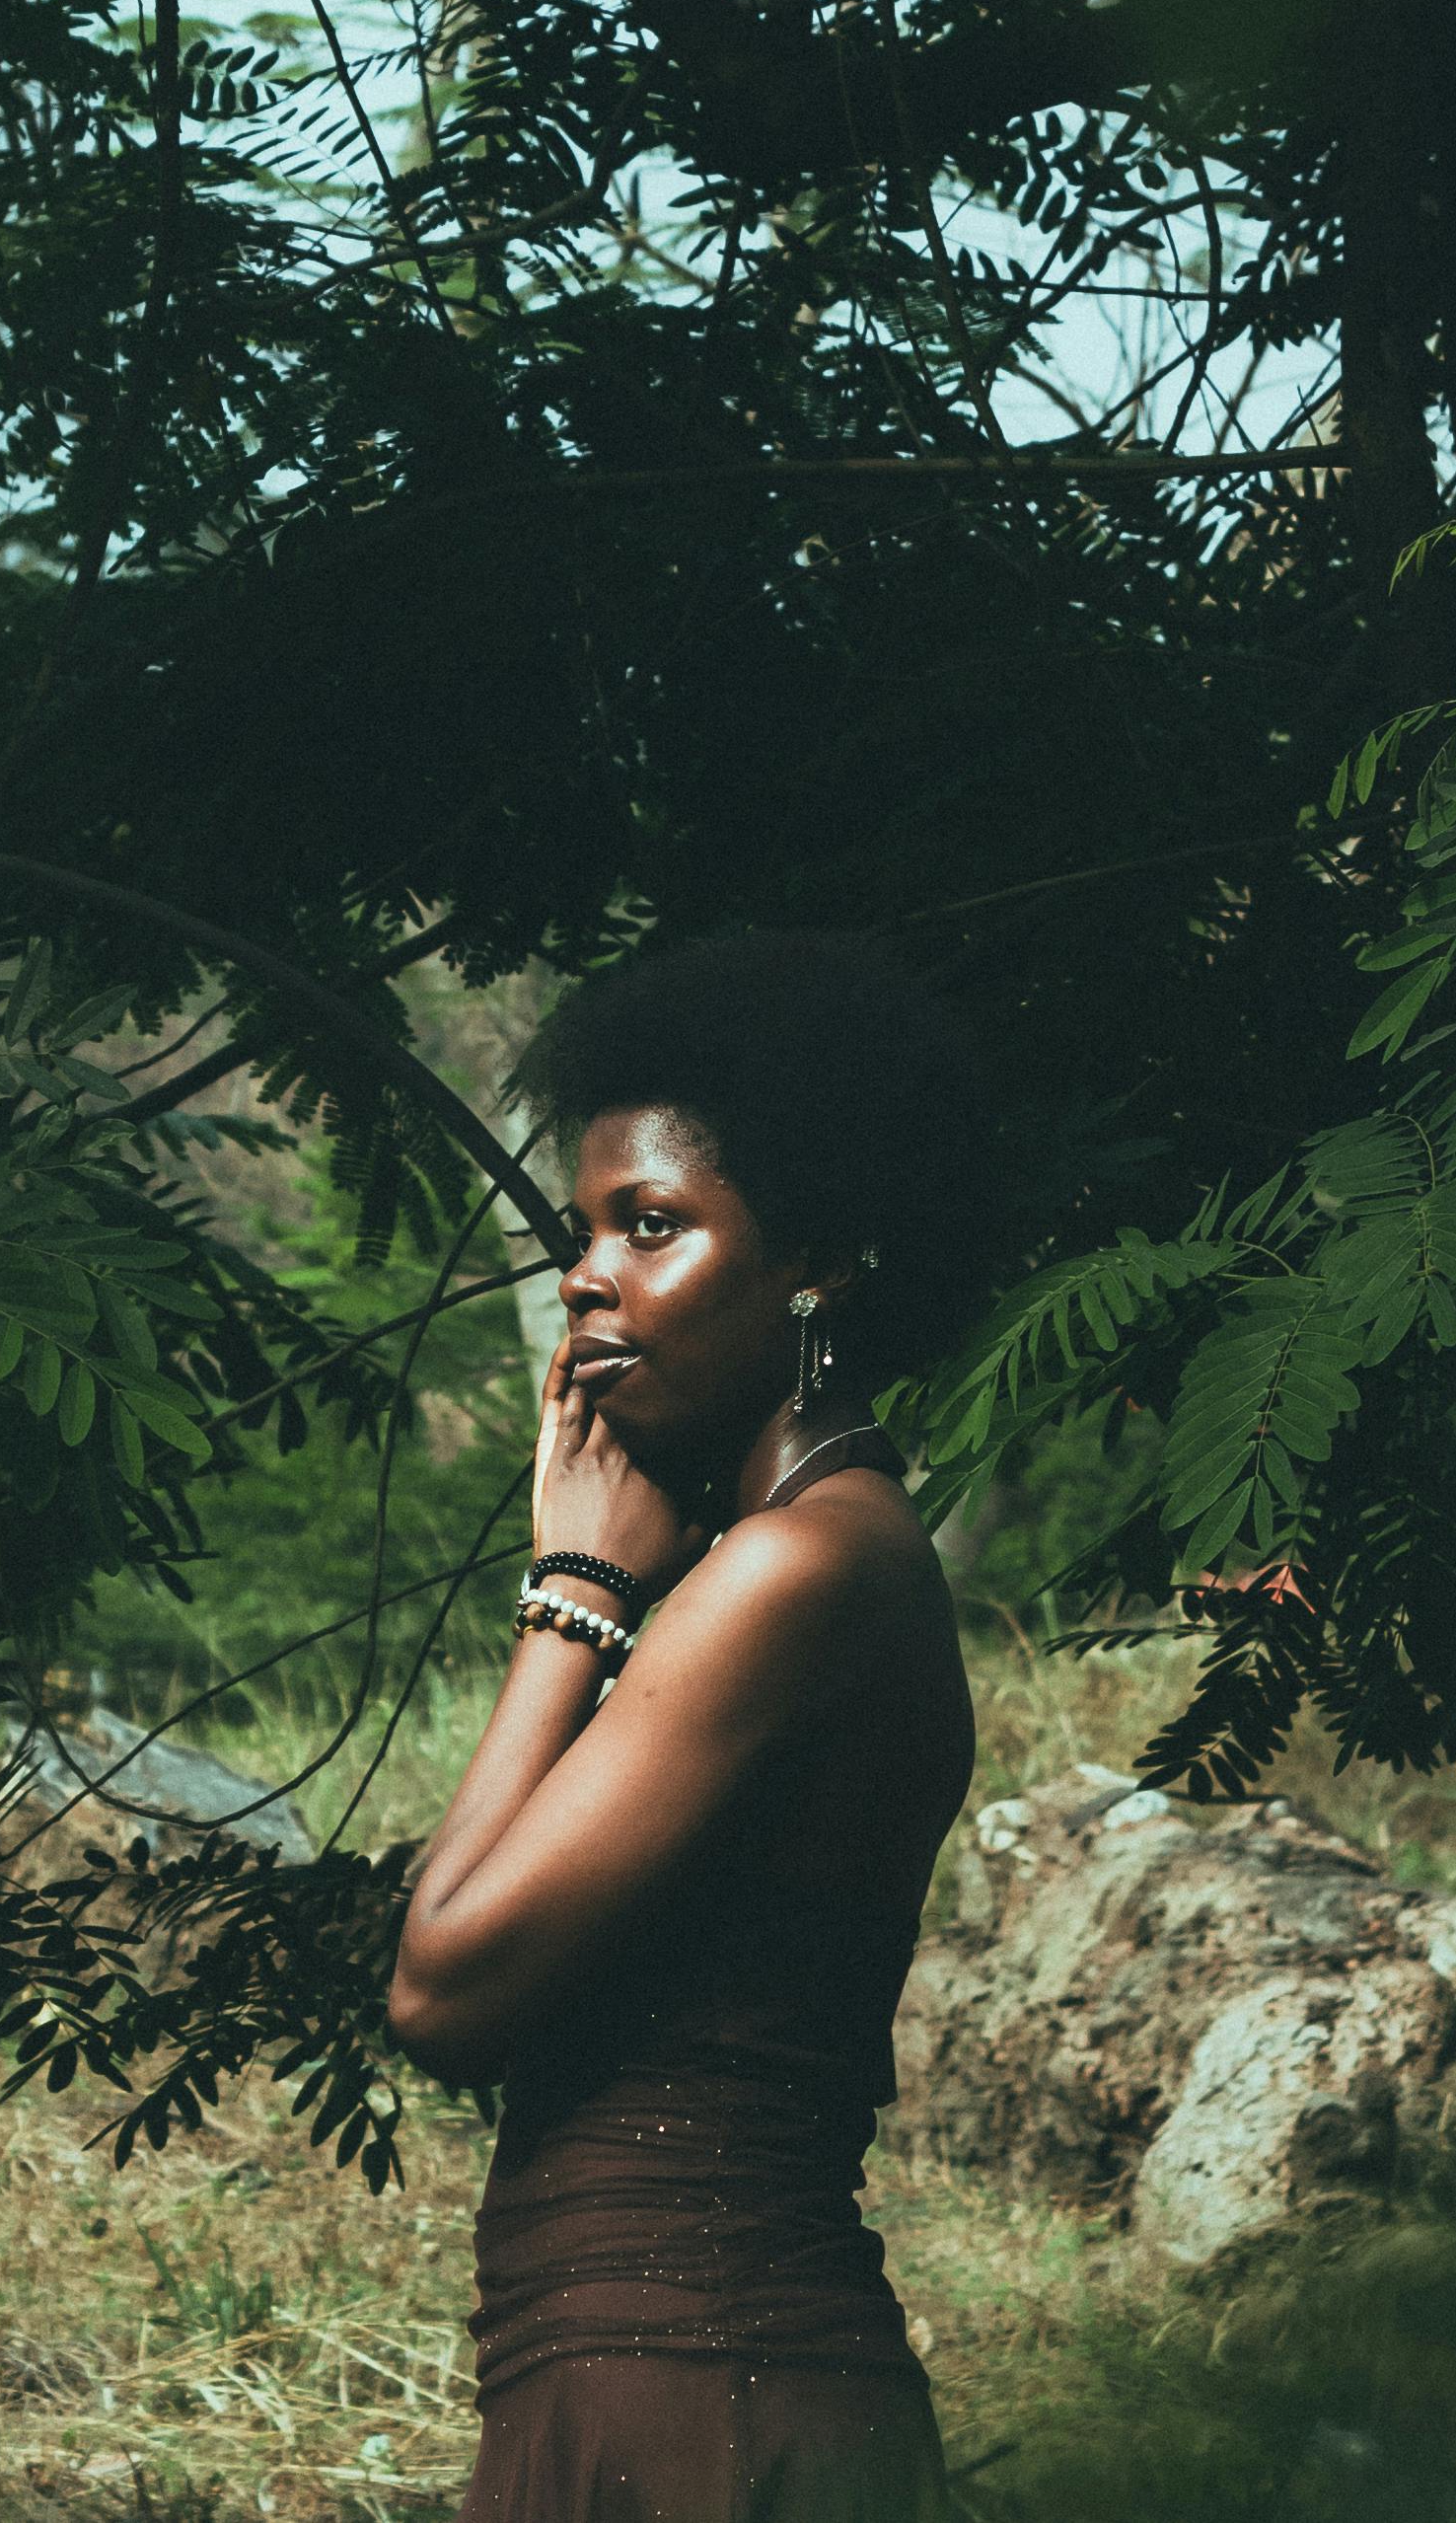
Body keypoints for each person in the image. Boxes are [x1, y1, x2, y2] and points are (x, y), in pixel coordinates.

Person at [389, 933, 991, 2523]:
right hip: (672, 2380)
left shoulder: (796, 1569)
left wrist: (573, 1589)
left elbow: (444, 1989)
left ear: (821, 1260)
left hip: (701, 2396)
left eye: (650, 1226)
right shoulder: (813, 1549)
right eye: (583, 1231)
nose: (586, 1274)